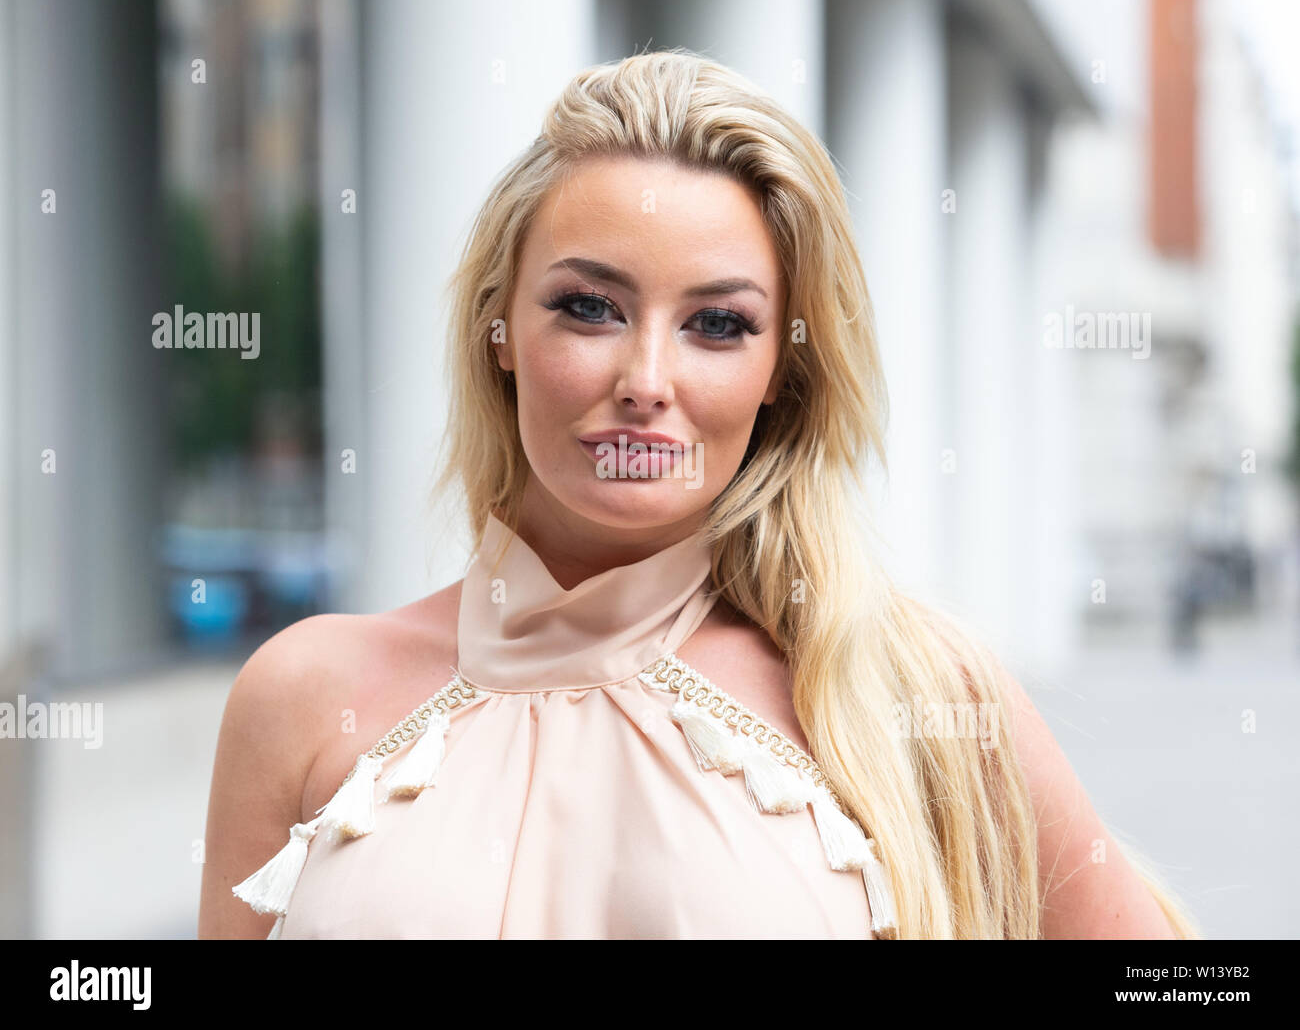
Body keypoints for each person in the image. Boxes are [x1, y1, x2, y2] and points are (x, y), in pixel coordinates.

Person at [197, 48, 1199, 939]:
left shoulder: (909, 693)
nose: (644, 379)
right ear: (499, 330)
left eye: (717, 325)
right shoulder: (301, 698)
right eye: (588, 308)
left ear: (782, 373)